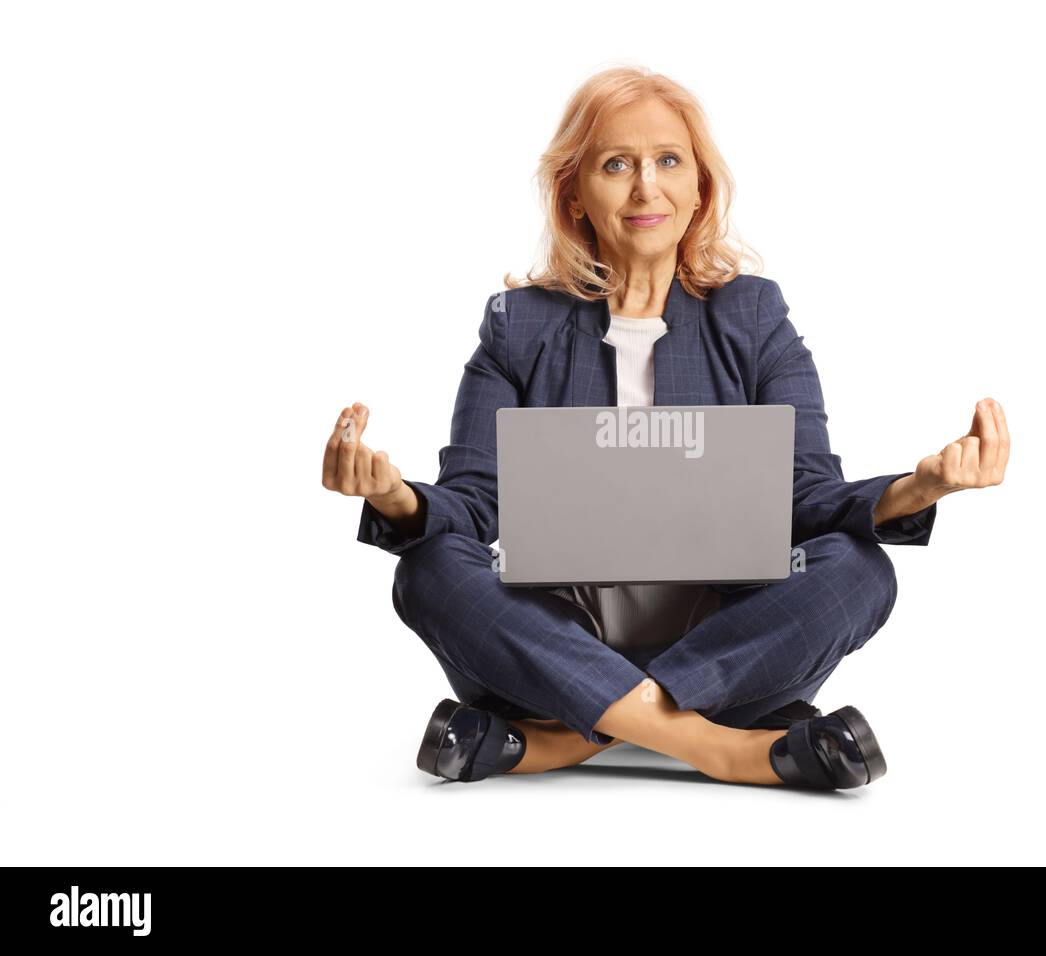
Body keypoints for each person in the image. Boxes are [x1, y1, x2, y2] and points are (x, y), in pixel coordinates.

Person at [321, 67, 1010, 788]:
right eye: (617, 164)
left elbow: (807, 496)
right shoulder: (518, 328)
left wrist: (918, 486)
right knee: (427, 569)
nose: (646, 187)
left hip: (723, 633)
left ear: (699, 189)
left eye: (668, 161)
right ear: (575, 195)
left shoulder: (753, 317)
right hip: (561, 628)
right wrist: (395, 497)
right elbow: (472, 505)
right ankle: (725, 749)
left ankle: (564, 737)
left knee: (859, 568)